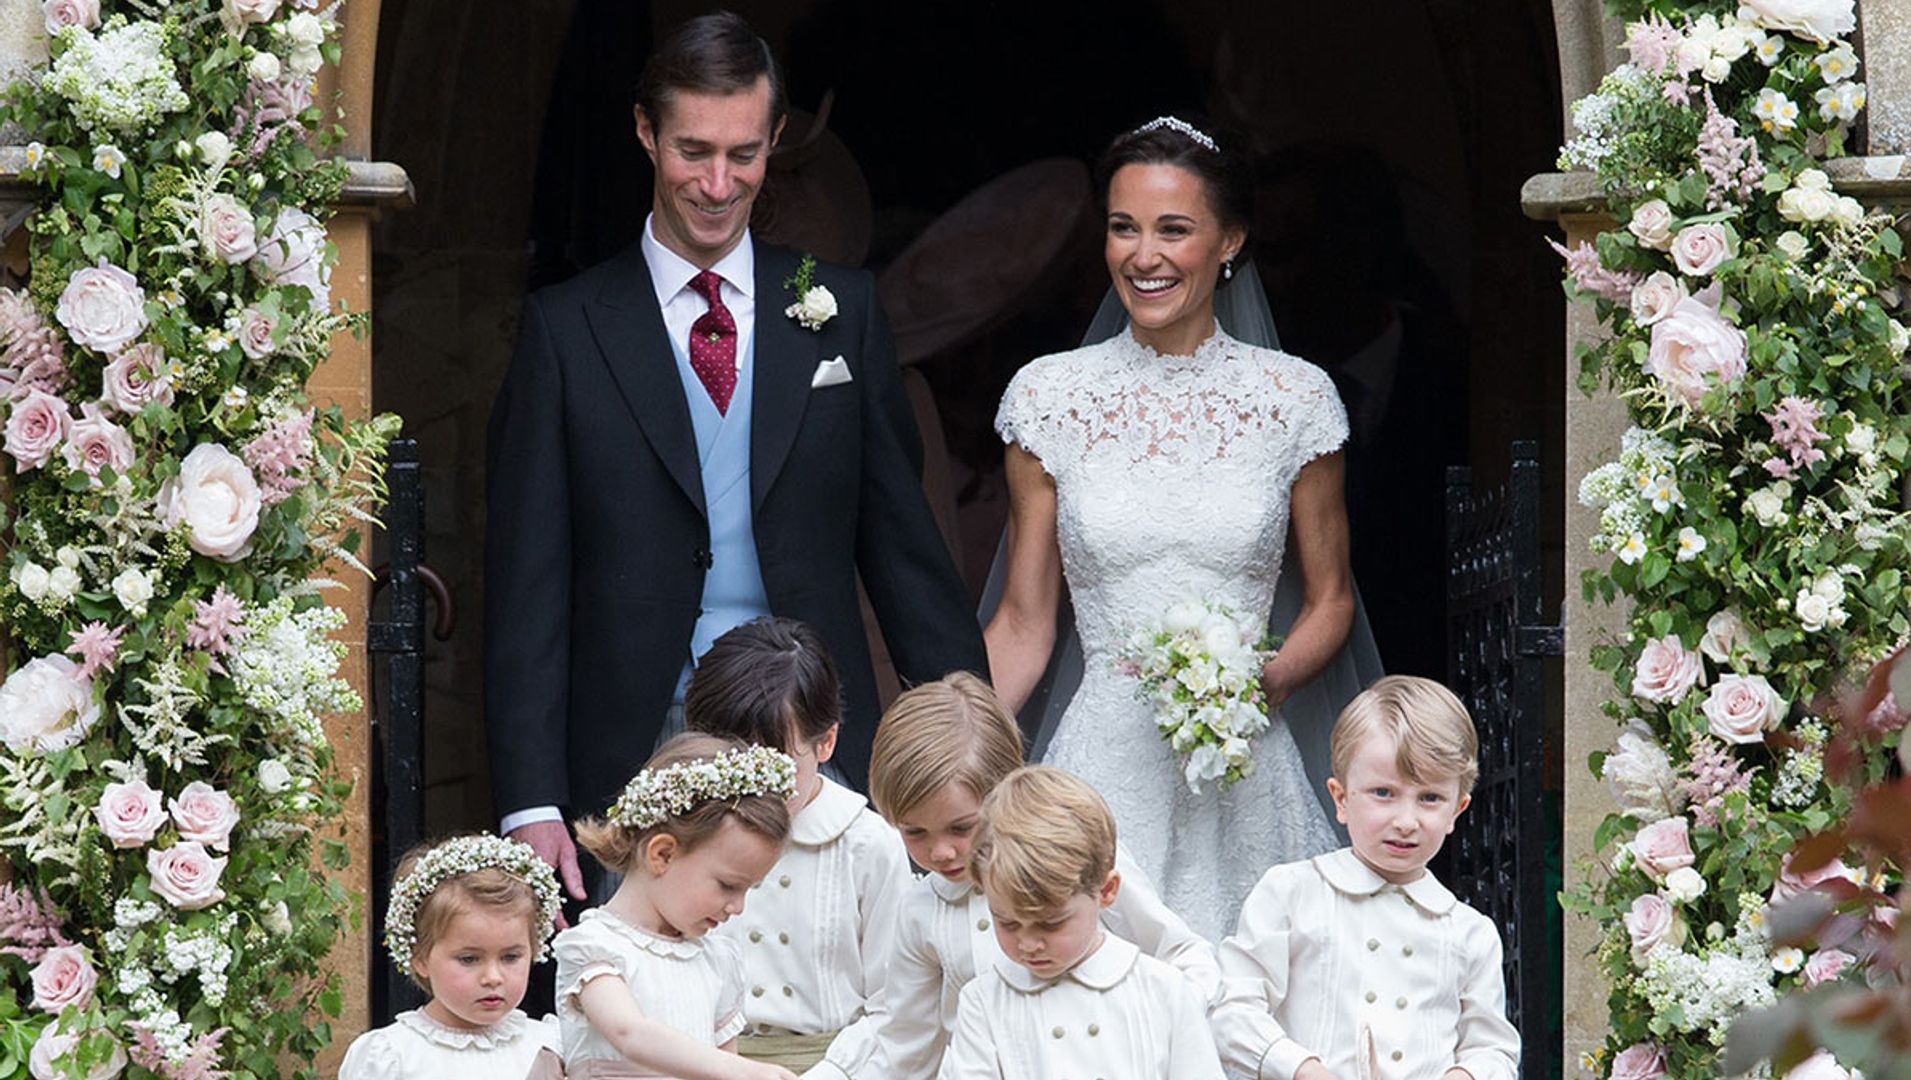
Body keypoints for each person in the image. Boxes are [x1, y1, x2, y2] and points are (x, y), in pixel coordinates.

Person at [485, 9, 987, 907]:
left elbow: (905, 551)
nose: (718, 185)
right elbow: (527, 584)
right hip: (633, 748)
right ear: (645, 134)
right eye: (693, 152)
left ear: (776, 142)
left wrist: (973, 745)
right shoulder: (564, 330)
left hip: (818, 738)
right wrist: (530, 799)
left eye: (744, 155)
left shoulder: (845, 308)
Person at [984, 115, 1366, 937]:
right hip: (1101, 768)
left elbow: (1330, 601)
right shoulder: (1049, 399)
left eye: (1173, 230)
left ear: (1229, 240)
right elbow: (1023, 620)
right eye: (1123, 228)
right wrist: (956, 745)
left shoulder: (1295, 400)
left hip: (1242, 762)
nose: (1143, 255)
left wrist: (1256, 685)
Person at [852, 673, 1219, 1080]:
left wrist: (1164, 1023)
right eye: (914, 832)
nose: (940, 852)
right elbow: (908, 1046)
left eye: (961, 828)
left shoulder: (1073, 858)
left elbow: (1182, 955)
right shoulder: (922, 912)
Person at [1211, 676, 1520, 1080]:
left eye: (1429, 798)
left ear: (1456, 810)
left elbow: (1493, 1048)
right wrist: (1300, 1067)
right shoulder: (1291, 893)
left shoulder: (1470, 932)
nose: (1406, 821)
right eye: (1383, 793)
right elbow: (1232, 1008)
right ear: (1341, 798)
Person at [685, 618, 912, 1074]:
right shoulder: (687, 834)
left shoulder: (867, 846)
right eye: (730, 758)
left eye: (776, 761)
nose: (753, 780)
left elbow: (897, 1001)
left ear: (825, 741)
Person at [939, 766, 1225, 1080]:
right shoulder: (983, 1002)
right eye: (1007, 923)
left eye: (1050, 924)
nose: (1028, 944)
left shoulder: (1164, 990)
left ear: (1106, 890)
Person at [554, 734, 800, 1079]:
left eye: (748, 889)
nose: (738, 907)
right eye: (728, 885)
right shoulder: (595, 947)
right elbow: (629, 1034)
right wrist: (750, 1072)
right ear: (662, 854)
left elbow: (723, 1067)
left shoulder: (717, 959)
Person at [342, 835, 566, 1080]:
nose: (493, 977)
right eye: (469, 959)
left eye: (510, 957)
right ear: (420, 958)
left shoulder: (548, 1044)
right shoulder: (393, 1056)